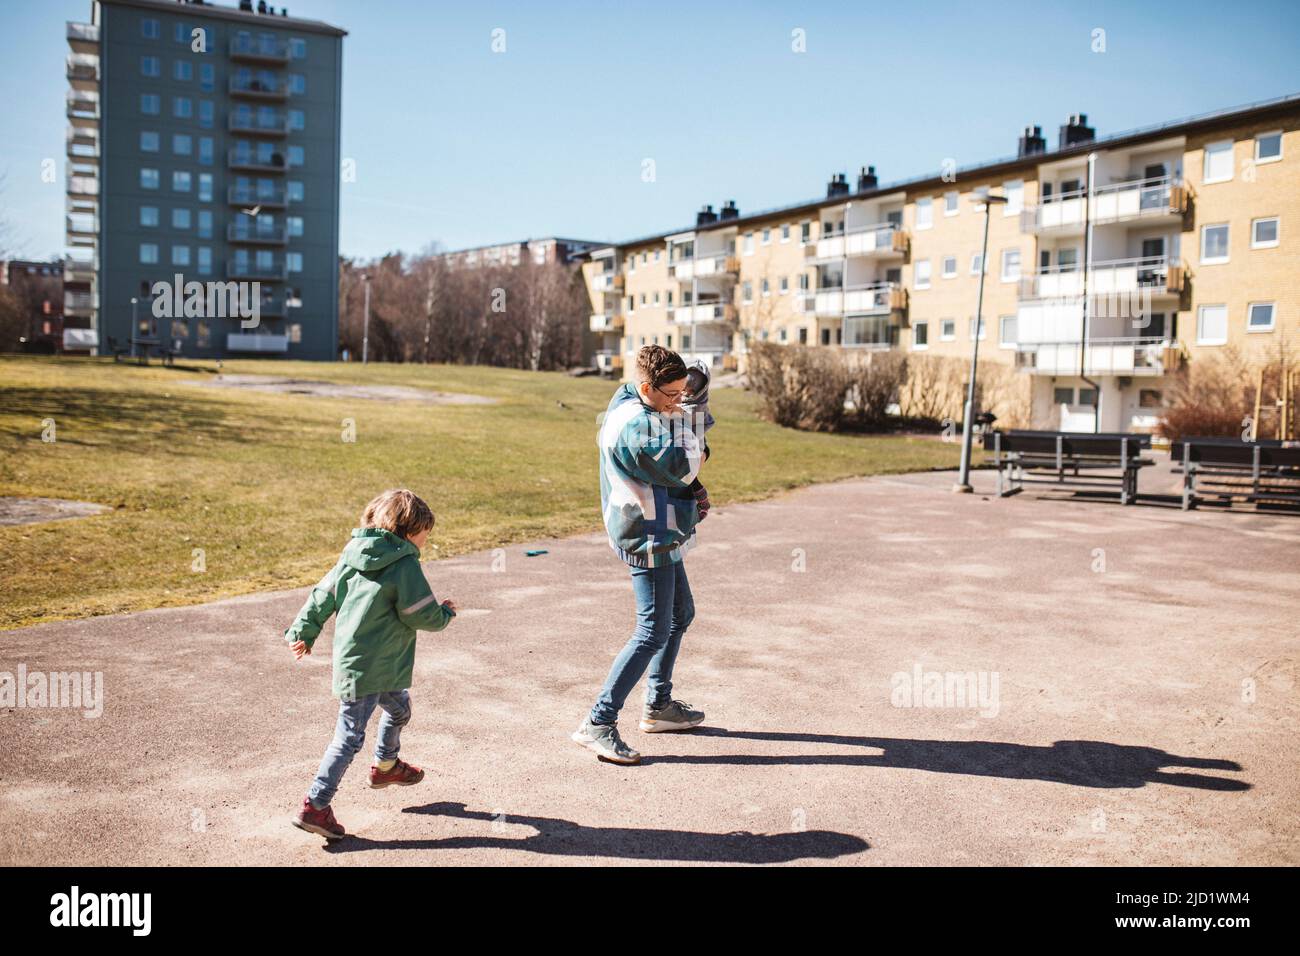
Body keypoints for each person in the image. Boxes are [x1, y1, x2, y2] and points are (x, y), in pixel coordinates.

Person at [285, 489, 457, 840]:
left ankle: (386, 766)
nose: (426, 541)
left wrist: (303, 630)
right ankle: (315, 805)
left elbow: (323, 595)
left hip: (370, 665)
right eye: (426, 534)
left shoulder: (351, 555)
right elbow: (419, 612)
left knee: (400, 709)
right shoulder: (405, 564)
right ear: (410, 531)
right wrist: (445, 614)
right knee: (348, 737)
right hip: (373, 668)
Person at [572, 345, 709, 765]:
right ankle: (598, 722)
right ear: (647, 386)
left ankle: (658, 706)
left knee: (679, 616)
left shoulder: (637, 398)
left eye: (683, 391)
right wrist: (694, 424)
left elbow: (683, 443)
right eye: (671, 394)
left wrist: (685, 406)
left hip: (662, 525)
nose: (679, 400)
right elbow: (687, 463)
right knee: (652, 630)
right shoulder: (635, 425)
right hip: (646, 533)